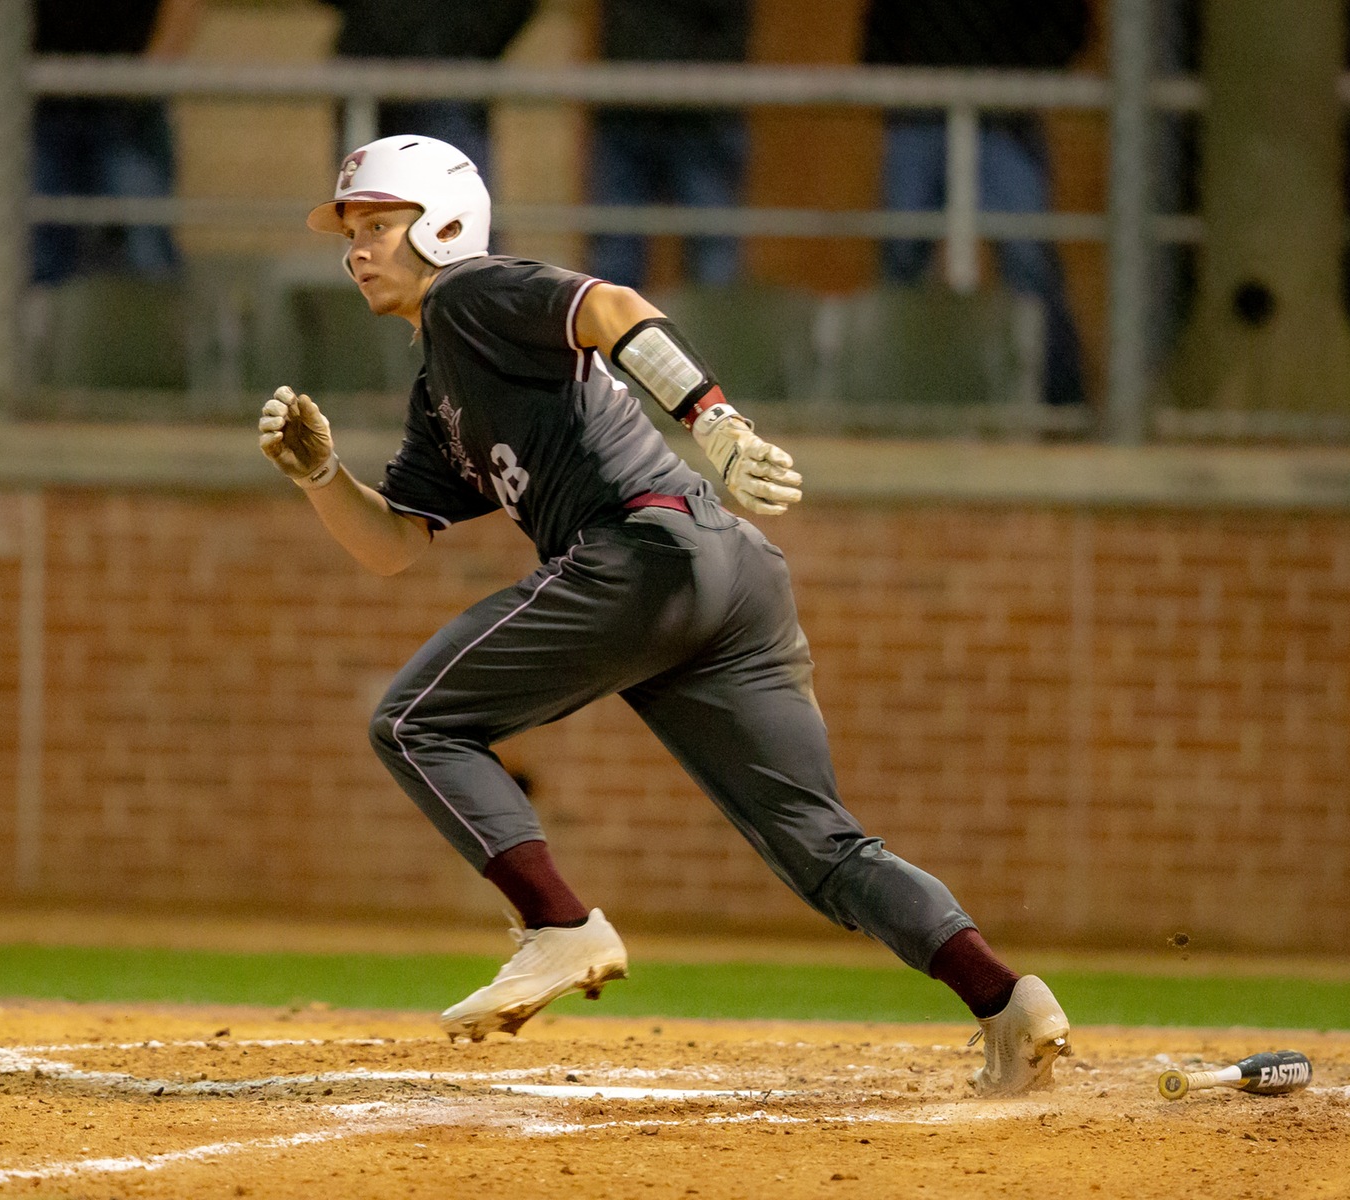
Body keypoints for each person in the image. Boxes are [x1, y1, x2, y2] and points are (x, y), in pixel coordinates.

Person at [257, 135, 1072, 1096]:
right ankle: (1007, 1002)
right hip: (724, 570)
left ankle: (559, 926)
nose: (359, 250)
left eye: (381, 225)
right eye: (351, 232)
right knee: (820, 845)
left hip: (644, 551)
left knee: (414, 719)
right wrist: (321, 476)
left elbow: (611, 308)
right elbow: (392, 544)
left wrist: (713, 420)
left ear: (443, 224)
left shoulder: (470, 294)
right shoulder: (442, 381)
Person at [861, 0, 1090, 407]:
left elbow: (1069, 23)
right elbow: (881, 25)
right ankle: (890, 399)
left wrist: (1017, 76)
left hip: (1006, 114)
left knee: (1028, 259)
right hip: (917, 108)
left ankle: (1061, 408)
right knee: (901, 257)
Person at [28, 0, 202, 284]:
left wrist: (155, 69)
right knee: (37, 257)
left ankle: (155, 324)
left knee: (147, 251)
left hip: (127, 106)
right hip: (45, 99)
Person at [588, 0, 751, 289]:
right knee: (616, 250)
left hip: (702, 114)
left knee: (712, 251)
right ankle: (611, 334)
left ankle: (713, 333)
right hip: (627, 106)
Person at [319, 0, 537, 185]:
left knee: (453, 205)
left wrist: (466, 44)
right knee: (367, 207)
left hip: (449, 85)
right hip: (371, 75)